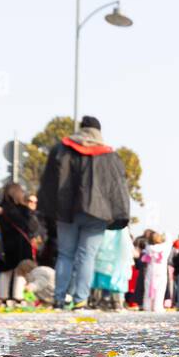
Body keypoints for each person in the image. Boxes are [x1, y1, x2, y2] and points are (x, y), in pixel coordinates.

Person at [36, 114, 131, 310]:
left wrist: (47, 208)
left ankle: (59, 298)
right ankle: (80, 299)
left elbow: (49, 182)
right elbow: (117, 186)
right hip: (97, 213)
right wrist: (117, 212)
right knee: (87, 256)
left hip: (66, 211)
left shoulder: (61, 150)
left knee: (65, 254)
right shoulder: (108, 155)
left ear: (80, 129)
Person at [0, 183, 41, 304]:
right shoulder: (24, 210)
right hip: (21, 245)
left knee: (5, 272)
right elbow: (32, 227)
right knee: (20, 272)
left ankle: (2, 298)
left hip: (5, 245)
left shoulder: (1, 209)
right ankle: (18, 298)